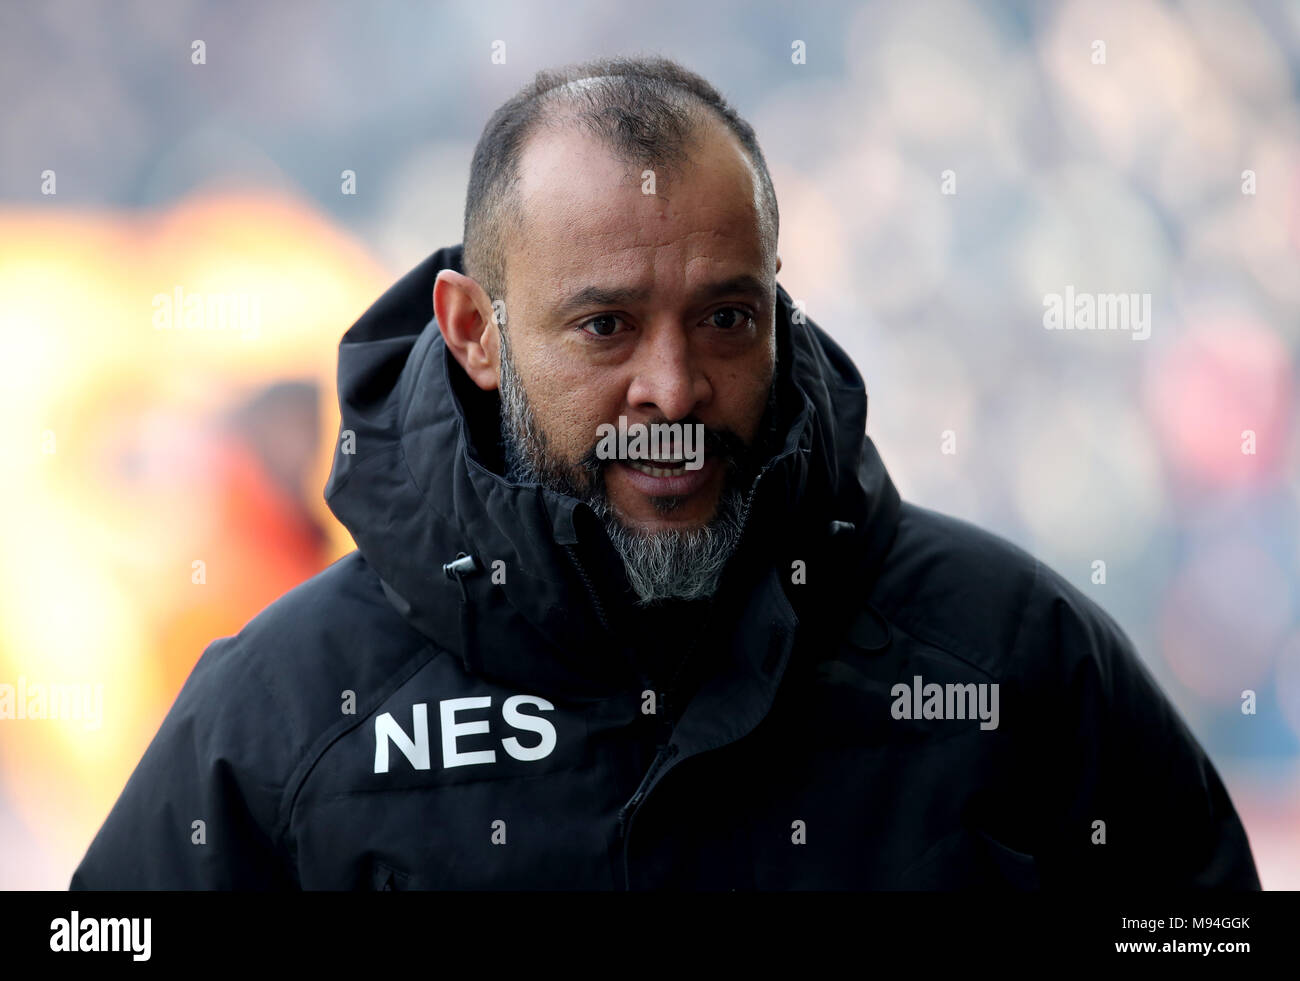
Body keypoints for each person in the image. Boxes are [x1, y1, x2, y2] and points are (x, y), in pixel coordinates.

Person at [70, 56, 1260, 890]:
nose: (675, 389)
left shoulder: (1015, 659)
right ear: (474, 331)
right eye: (605, 328)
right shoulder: (283, 716)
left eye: (726, 320)